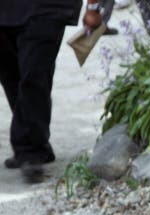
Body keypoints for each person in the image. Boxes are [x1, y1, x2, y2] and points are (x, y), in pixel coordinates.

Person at [0, 0, 100, 181]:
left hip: (48, 8)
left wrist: (93, 7)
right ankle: (35, 142)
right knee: (11, 75)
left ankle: (30, 150)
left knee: (34, 75)